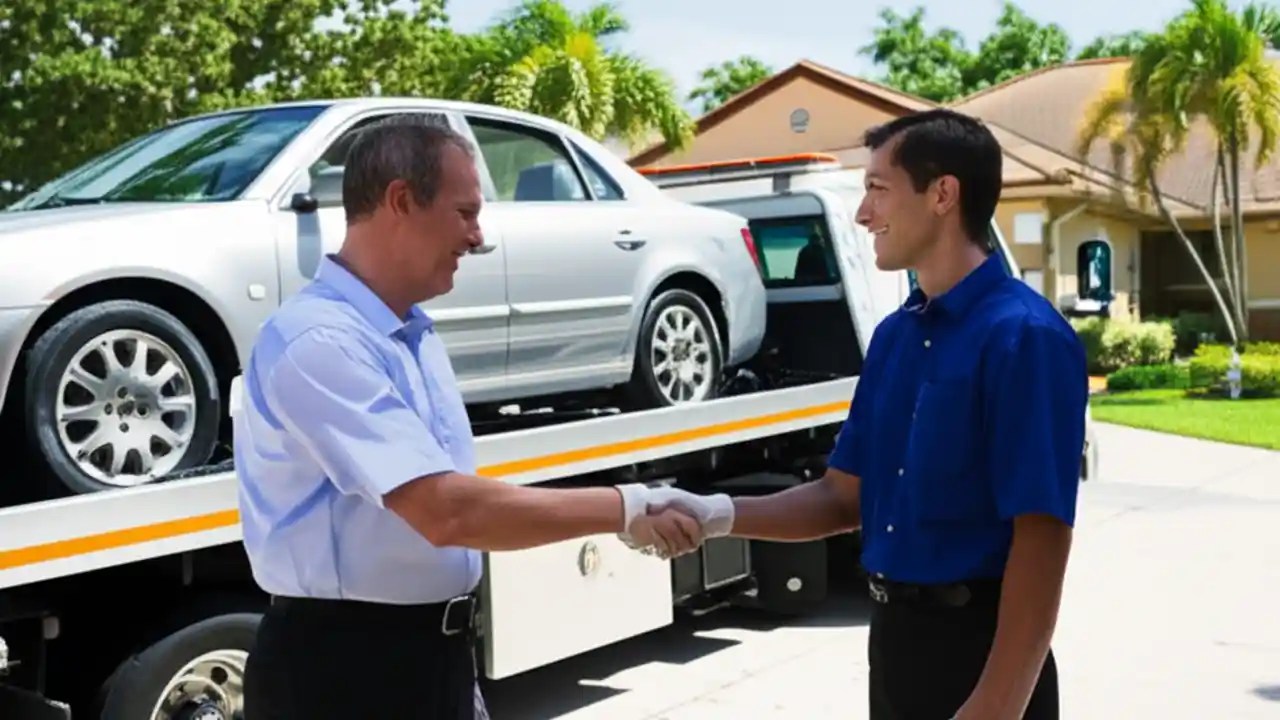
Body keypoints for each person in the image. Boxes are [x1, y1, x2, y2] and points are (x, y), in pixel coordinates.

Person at [233, 114, 702, 720]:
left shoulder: (410, 334)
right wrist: (627, 506)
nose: (478, 237)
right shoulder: (318, 341)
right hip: (344, 671)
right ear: (401, 199)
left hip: (426, 655)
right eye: (464, 213)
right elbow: (447, 510)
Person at [625, 109, 1089, 720]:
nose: (864, 214)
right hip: (895, 646)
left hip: (981, 653)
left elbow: (1042, 535)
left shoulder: (1024, 337)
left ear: (943, 194)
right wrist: (714, 514)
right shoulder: (897, 337)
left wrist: (998, 704)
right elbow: (840, 499)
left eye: (877, 189)